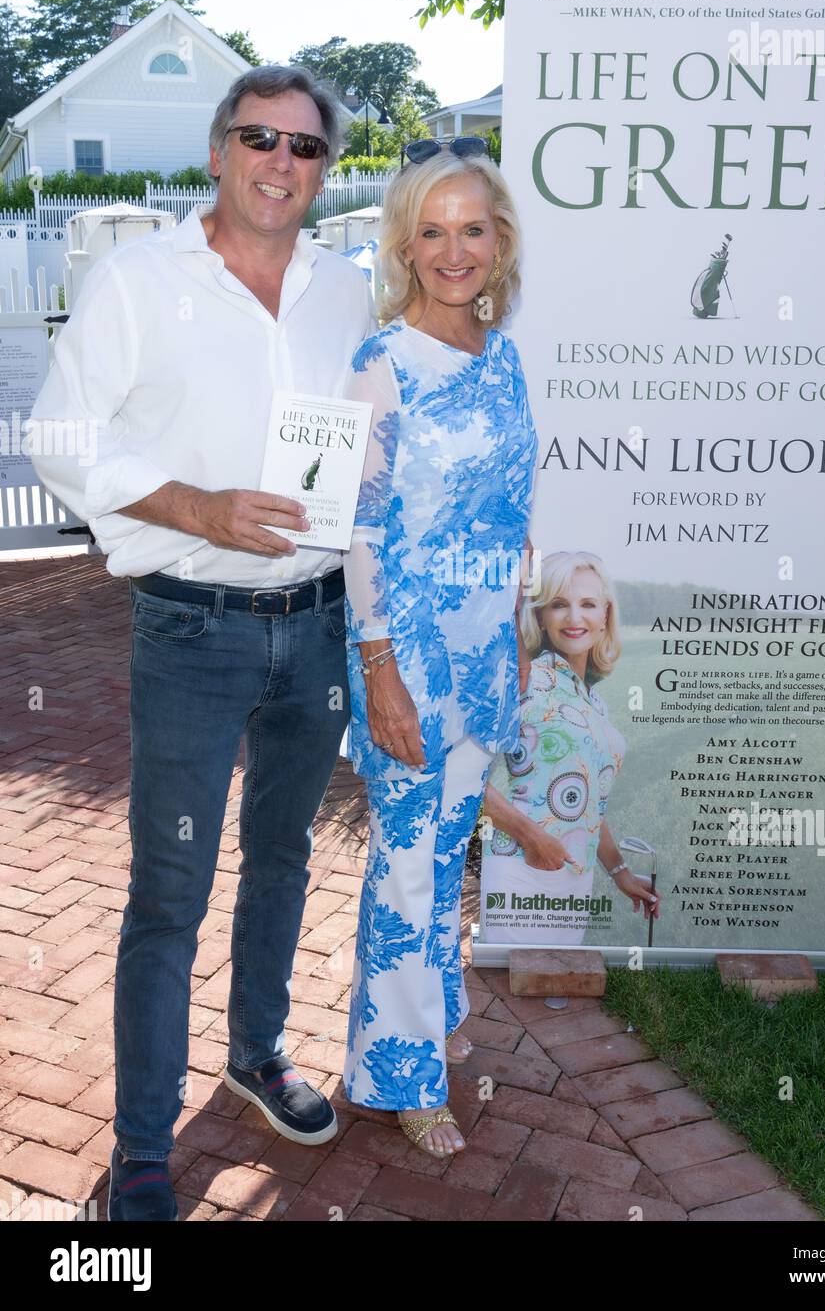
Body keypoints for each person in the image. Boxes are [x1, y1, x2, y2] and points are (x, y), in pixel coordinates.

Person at [27, 66, 375, 1221]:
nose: (281, 162)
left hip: (315, 627)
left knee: (283, 861)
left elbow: (363, 438)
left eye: (304, 147)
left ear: (325, 169)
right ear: (219, 151)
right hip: (192, 625)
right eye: (258, 138)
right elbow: (61, 434)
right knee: (169, 889)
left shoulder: (345, 290)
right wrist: (198, 506)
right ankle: (138, 1148)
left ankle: (257, 1050)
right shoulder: (138, 280)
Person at [340, 137, 538, 1158]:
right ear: (404, 247)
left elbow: (510, 511)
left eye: (471, 229)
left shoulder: (499, 355)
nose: (453, 251)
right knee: (406, 868)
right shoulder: (381, 364)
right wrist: (380, 673)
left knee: (443, 858)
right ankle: (402, 1080)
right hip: (406, 656)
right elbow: (360, 527)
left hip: (482, 651)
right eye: (431, 231)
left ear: (496, 241)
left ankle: (421, 1024)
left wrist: (514, 624)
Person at [482, 552, 659, 945]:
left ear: (605, 615)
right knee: (518, 997)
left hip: (576, 880)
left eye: (588, 604)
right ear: (541, 616)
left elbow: (590, 805)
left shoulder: (595, 703)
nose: (574, 617)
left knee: (557, 997)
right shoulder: (526, 680)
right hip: (520, 871)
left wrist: (620, 873)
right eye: (559, 604)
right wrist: (531, 838)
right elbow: (464, 779)